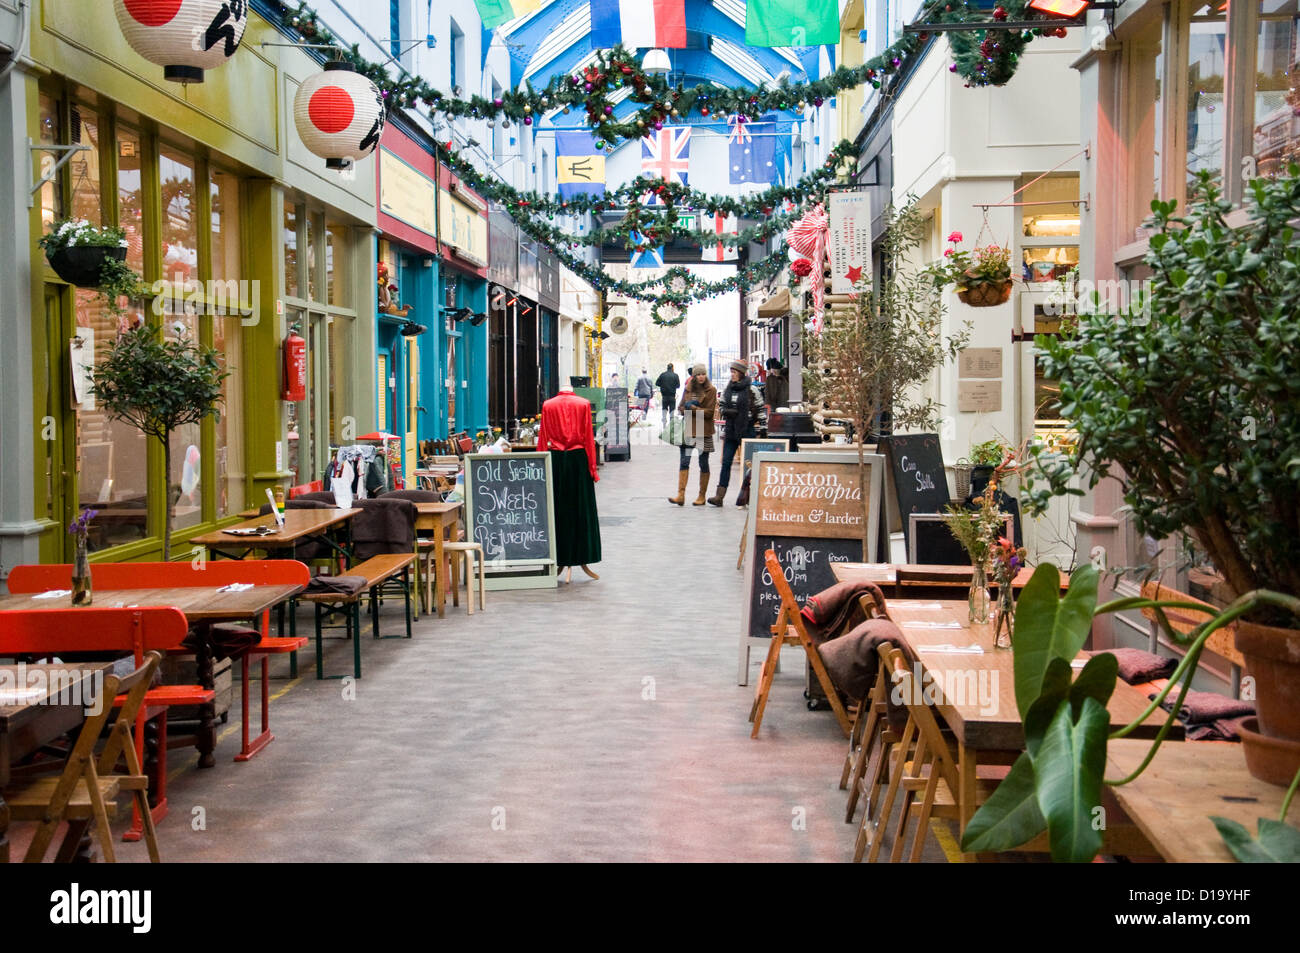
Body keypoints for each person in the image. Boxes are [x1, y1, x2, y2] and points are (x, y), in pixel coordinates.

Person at [537, 383, 601, 582]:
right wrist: (592, 468)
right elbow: (589, 439)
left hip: (555, 460)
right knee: (580, 509)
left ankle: (561, 555)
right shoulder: (583, 405)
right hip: (578, 460)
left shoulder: (548, 405)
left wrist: (541, 466)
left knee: (558, 509)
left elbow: (543, 438)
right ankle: (580, 554)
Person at [709, 361, 759, 506]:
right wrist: (727, 411)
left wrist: (762, 428)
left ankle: (748, 495)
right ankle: (719, 496)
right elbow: (722, 404)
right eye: (731, 371)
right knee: (726, 462)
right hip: (731, 429)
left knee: (750, 463)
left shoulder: (751, 389)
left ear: (741, 373)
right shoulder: (728, 388)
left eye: (734, 372)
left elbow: (760, 408)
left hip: (747, 429)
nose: (732, 374)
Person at [668, 364, 717, 506]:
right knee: (684, 461)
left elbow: (709, 413)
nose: (701, 377)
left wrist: (694, 408)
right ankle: (680, 495)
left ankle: (701, 496)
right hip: (688, 429)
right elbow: (680, 407)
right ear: (694, 376)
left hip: (704, 430)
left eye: (703, 374)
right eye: (698, 374)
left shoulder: (711, 390)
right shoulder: (688, 388)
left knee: (703, 463)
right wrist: (685, 408)